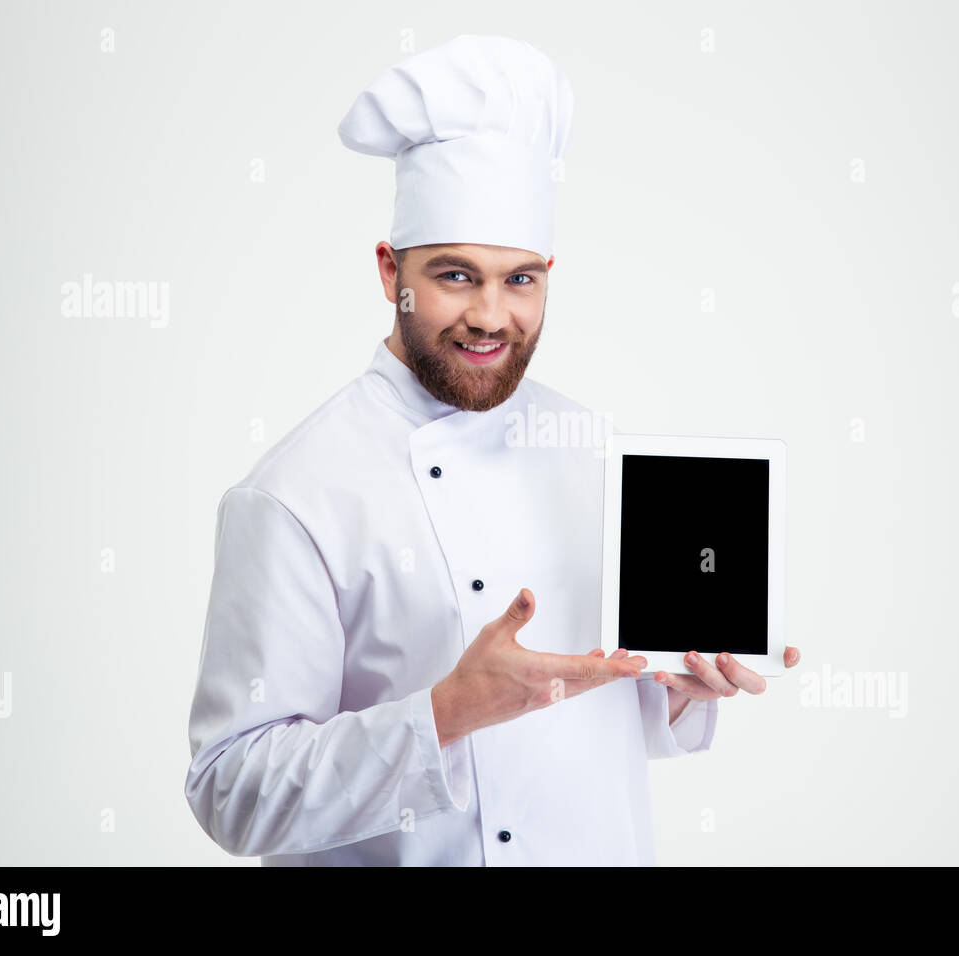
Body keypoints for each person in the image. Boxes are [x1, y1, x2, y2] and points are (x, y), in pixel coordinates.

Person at [183, 34, 800, 866]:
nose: (490, 317)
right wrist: (444, 712)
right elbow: (233, 789)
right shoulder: (295, 493)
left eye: (519, 280)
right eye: (454, 275)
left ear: (547, 274)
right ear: (388, 269)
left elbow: (596, 730)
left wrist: (681, 693)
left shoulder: (593, 451)